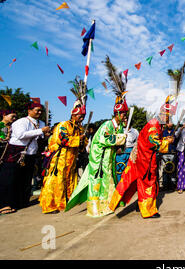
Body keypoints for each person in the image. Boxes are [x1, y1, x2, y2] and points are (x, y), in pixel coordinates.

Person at [108, 95, 175, 219]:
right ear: (163, 115)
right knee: (147, 184)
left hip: (144, 157)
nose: (170, 120)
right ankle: (147, 210)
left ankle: (142, 205)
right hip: (144, 159)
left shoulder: (157, 124)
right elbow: (155, 144)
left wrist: (164, 139)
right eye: (169, 117)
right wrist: (168, 142)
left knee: (142, 182)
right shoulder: (155, 125)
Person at [65, 96, 128, 217]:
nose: (125, 117)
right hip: (99, 159)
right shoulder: (107, 125)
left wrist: (121, 145)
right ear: (117, 114)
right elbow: (106, 139)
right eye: (123, 114)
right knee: (97, 182)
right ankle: (94, 208)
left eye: (126, 114)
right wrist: (120, 139)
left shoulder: (119, 127)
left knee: (108, 181)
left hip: (109, 160)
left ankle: (107, 205)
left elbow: (118, 144)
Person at [39, 81, 88, 214]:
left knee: (69, 180)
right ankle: (49, 205)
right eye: (80, 115)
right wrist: (79, 139)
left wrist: (83, 140)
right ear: (73, 114)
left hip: (71, 160)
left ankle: (64, 202)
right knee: (55, 181)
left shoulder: (80, 128)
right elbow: (63, 140)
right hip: (59, 159)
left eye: (83, 116)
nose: (82, 118)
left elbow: (82, 146)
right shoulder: (63, 124)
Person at [4, 102, 51, 210]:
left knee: (26, 179)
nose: (39, 112)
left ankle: (22, 202)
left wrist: (45, 135)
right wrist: (40, 131)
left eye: (40, 110)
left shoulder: (42, 123)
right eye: (37, 110)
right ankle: (8, 204)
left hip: (31, 153)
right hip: (16, 152)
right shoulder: (21, 122)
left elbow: (39, 138)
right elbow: (21, 135)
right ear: (29, 111)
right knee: (12, 179)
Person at [0, 110, 17, 215]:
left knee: (7, 180)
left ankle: (7, 203)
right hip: (1, 155)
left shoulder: (12, 127)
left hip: (9, 157)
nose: (14, 119)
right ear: (4, 115)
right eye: (12, 116)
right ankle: (2, 205)